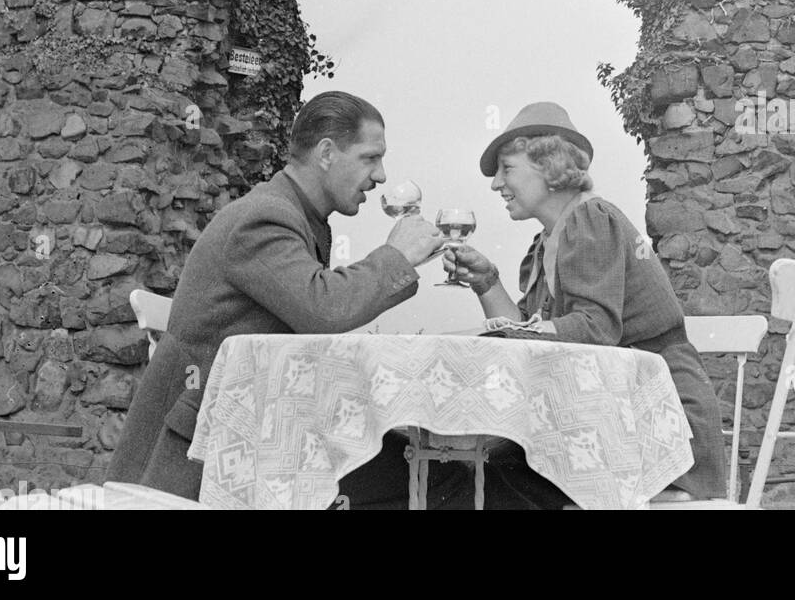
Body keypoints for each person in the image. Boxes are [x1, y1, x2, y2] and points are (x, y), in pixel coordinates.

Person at [107, 90, 457, 506]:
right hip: (203, 457)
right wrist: (397, 257)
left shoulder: (300, 216)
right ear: (326, 153)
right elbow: (324, 309)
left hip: (254, 438)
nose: (380, 176)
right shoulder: (265, 217)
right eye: (370, 158)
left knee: (426, 471)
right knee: (438, 481)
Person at [445, 101, 727, 506]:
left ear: (550, 166)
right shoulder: (549, 241)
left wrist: (521, 332)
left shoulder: (592, 220)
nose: (495, 185)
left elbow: (595, 329)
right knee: (491, 471)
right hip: (611, 419)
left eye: (507, 169)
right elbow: (534, 332)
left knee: (492, 477)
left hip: (663, 427)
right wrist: (487, 283)